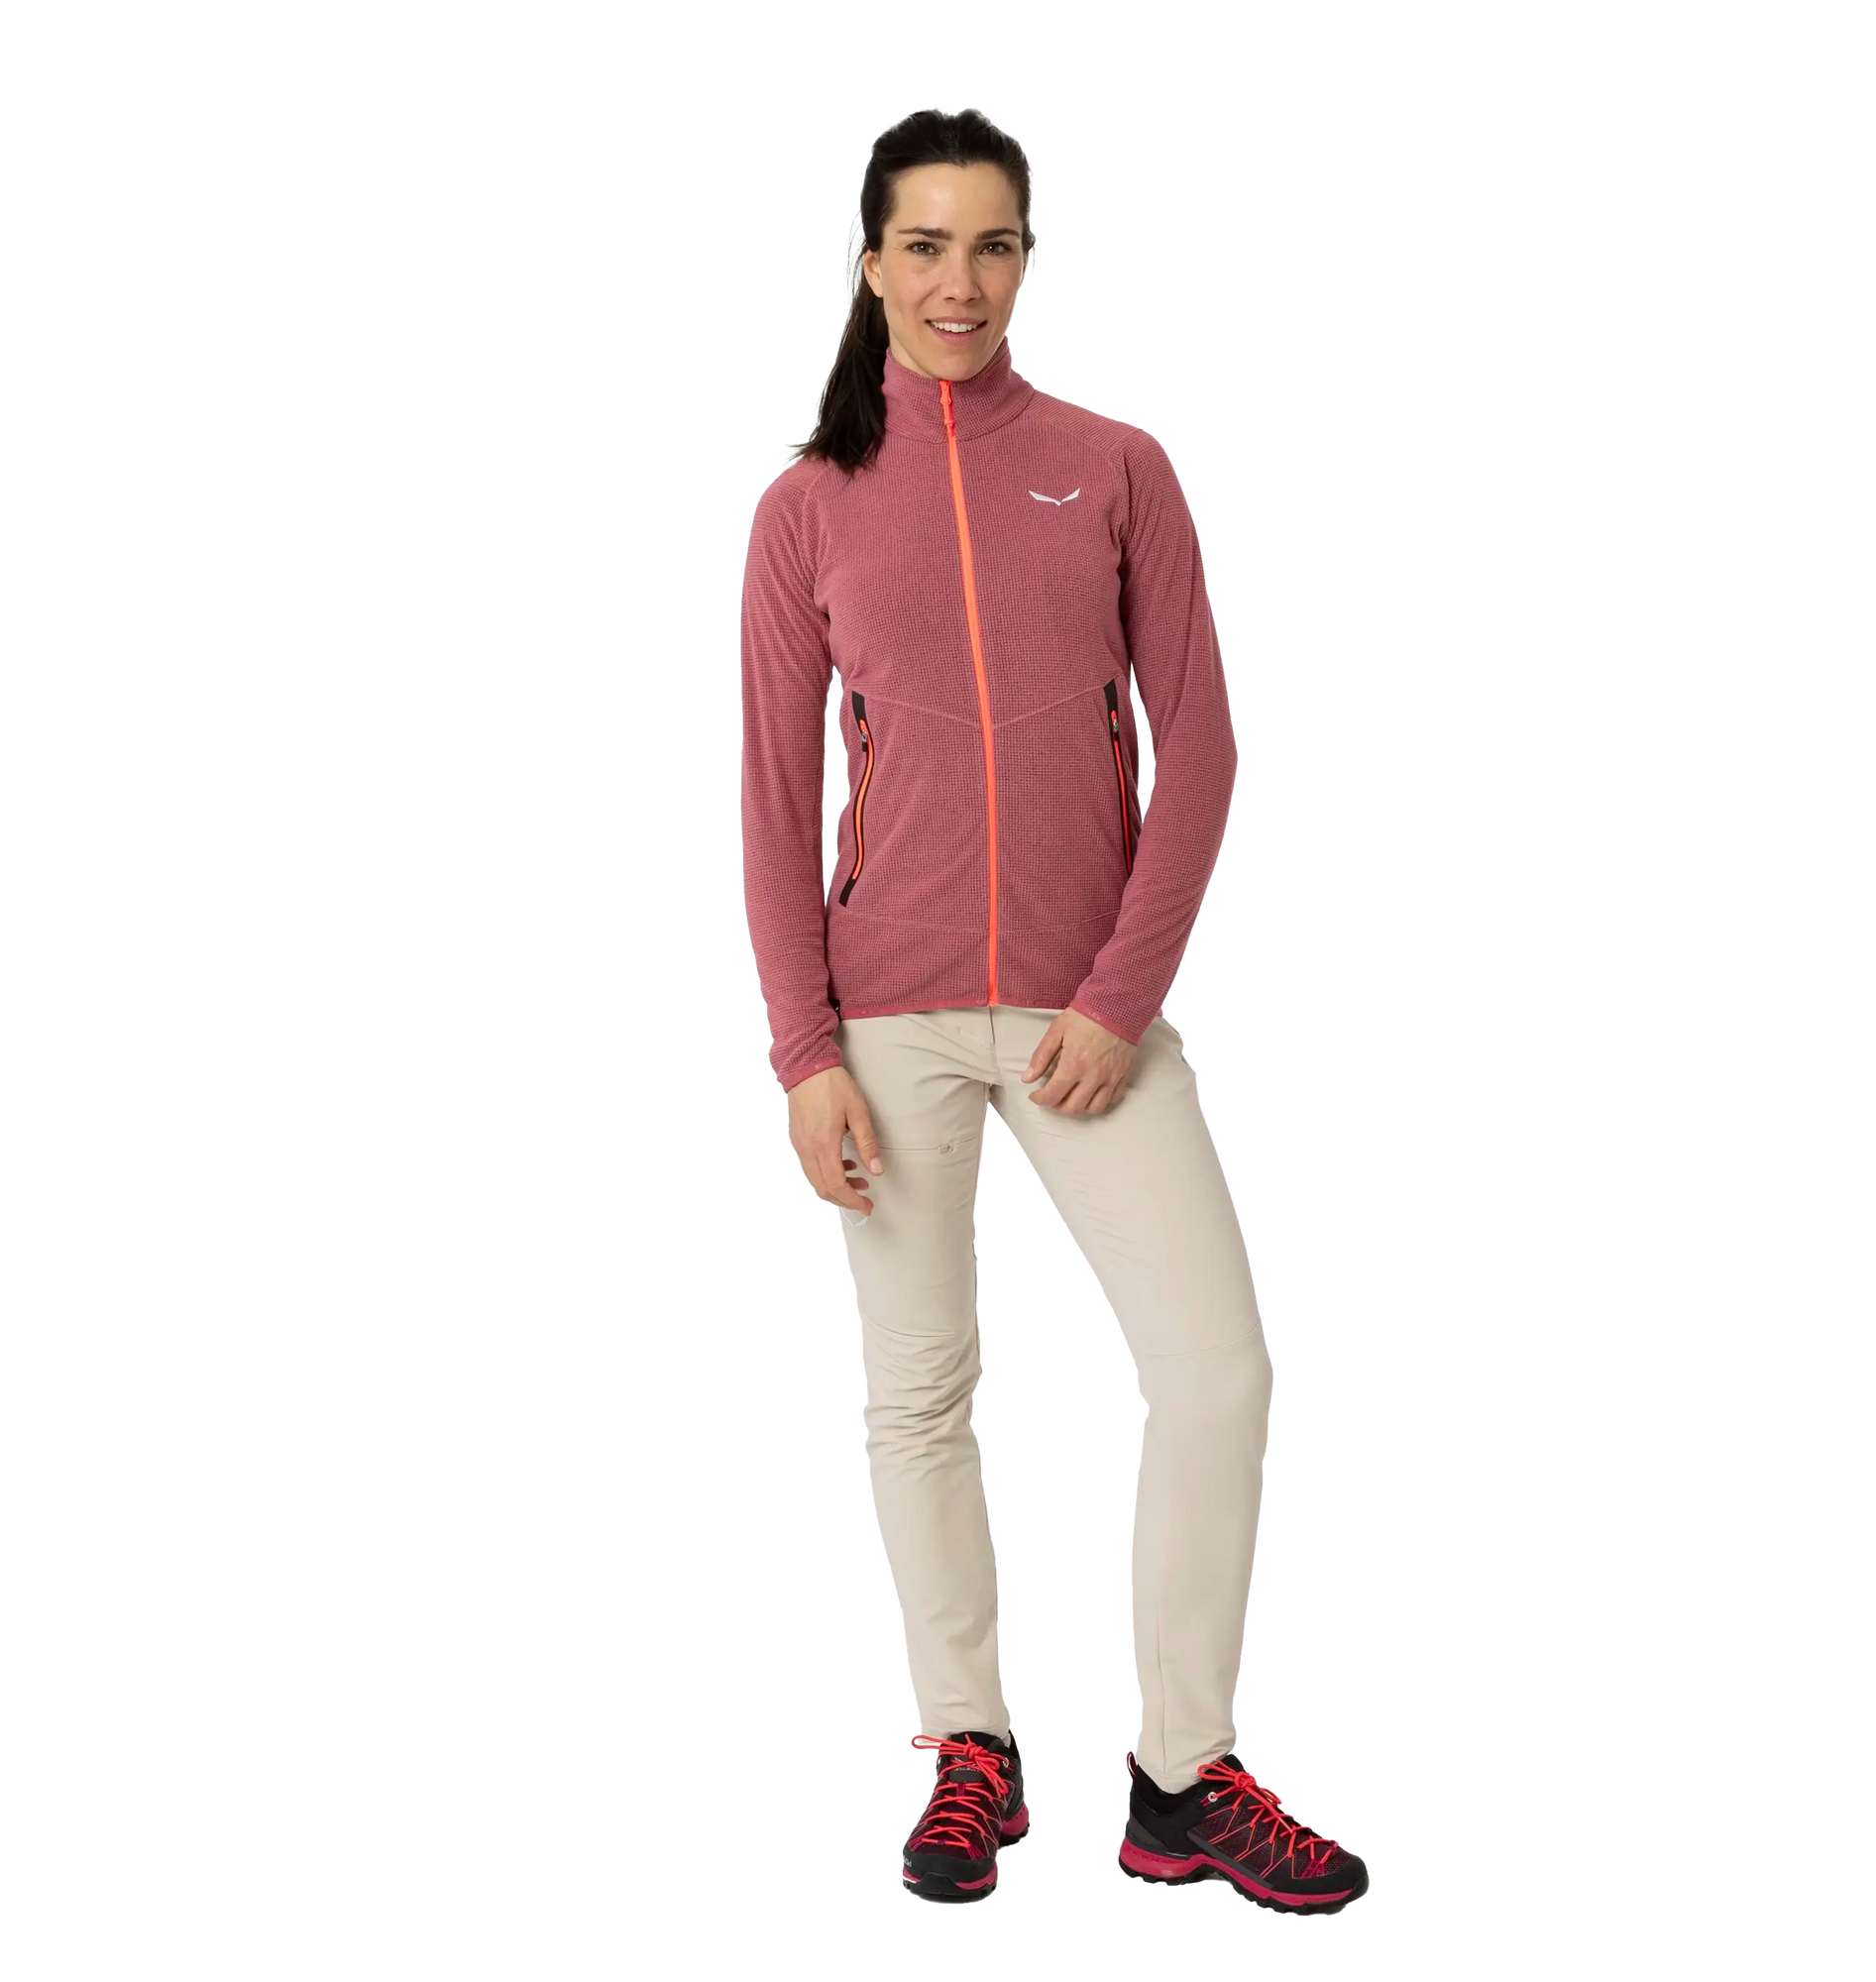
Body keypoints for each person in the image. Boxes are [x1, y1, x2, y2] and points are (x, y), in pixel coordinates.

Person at [736, 101, 1371, 1920]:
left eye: (993, 244)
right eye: (925, 246)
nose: (961, 282)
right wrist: (802, 1054)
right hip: (888, 1025)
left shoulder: (1117, 466)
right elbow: (773, 800)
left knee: (1220, 1373)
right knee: (920, 1392)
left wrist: (1122, 998)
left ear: (1031, 259)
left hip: (1096, 1017)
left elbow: (1205, 754)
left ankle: (1180, 1773)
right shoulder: (803, 508)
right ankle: (969, 1745)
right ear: (871, 263)